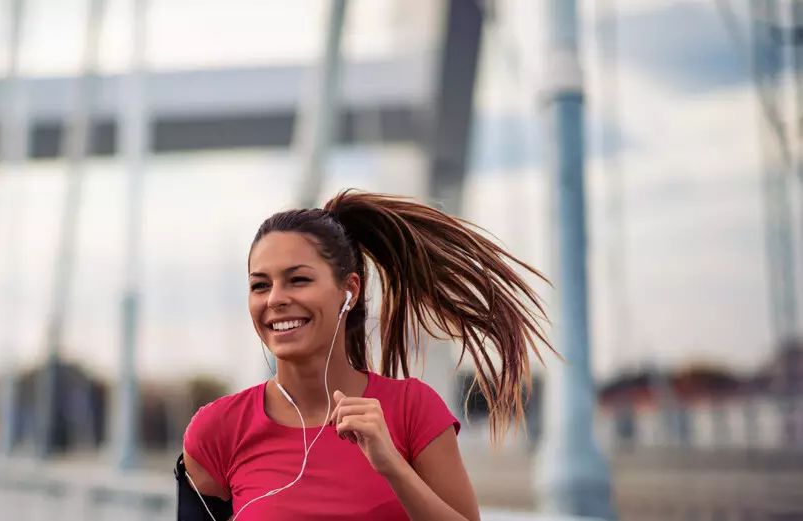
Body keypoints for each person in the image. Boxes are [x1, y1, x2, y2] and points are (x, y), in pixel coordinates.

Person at [177, 190, 557, 521]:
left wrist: (391, 465)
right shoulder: (217, 431)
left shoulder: (413, 410)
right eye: (261, 285)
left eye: (299, 280)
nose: (275, 298)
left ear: (350, 291)